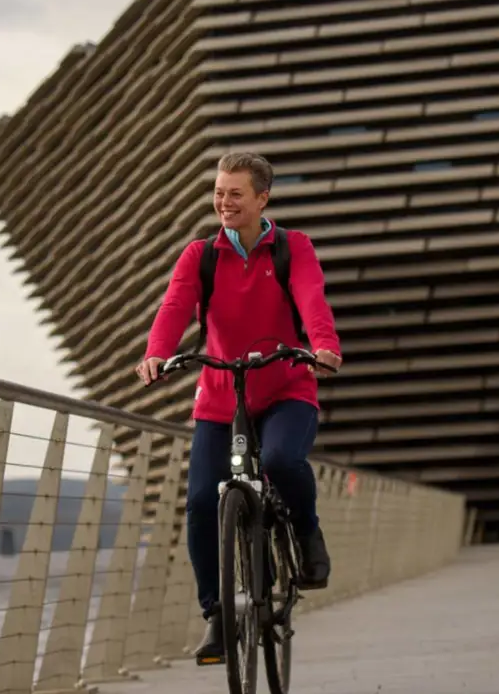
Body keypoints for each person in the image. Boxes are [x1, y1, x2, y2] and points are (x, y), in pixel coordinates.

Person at [135, 151, 343, 664]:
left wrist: (322, 345)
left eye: (235, 194)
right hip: (221, 397)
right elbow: (174, 305)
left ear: (262, 198)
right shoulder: (200, 255)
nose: (224, 202)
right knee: (202, 503)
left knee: (280, 461)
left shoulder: (292, 247)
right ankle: (217, 615)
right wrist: (156, 353)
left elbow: (311, 297)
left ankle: (306, 531)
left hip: (286, 389)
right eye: (219, 193)